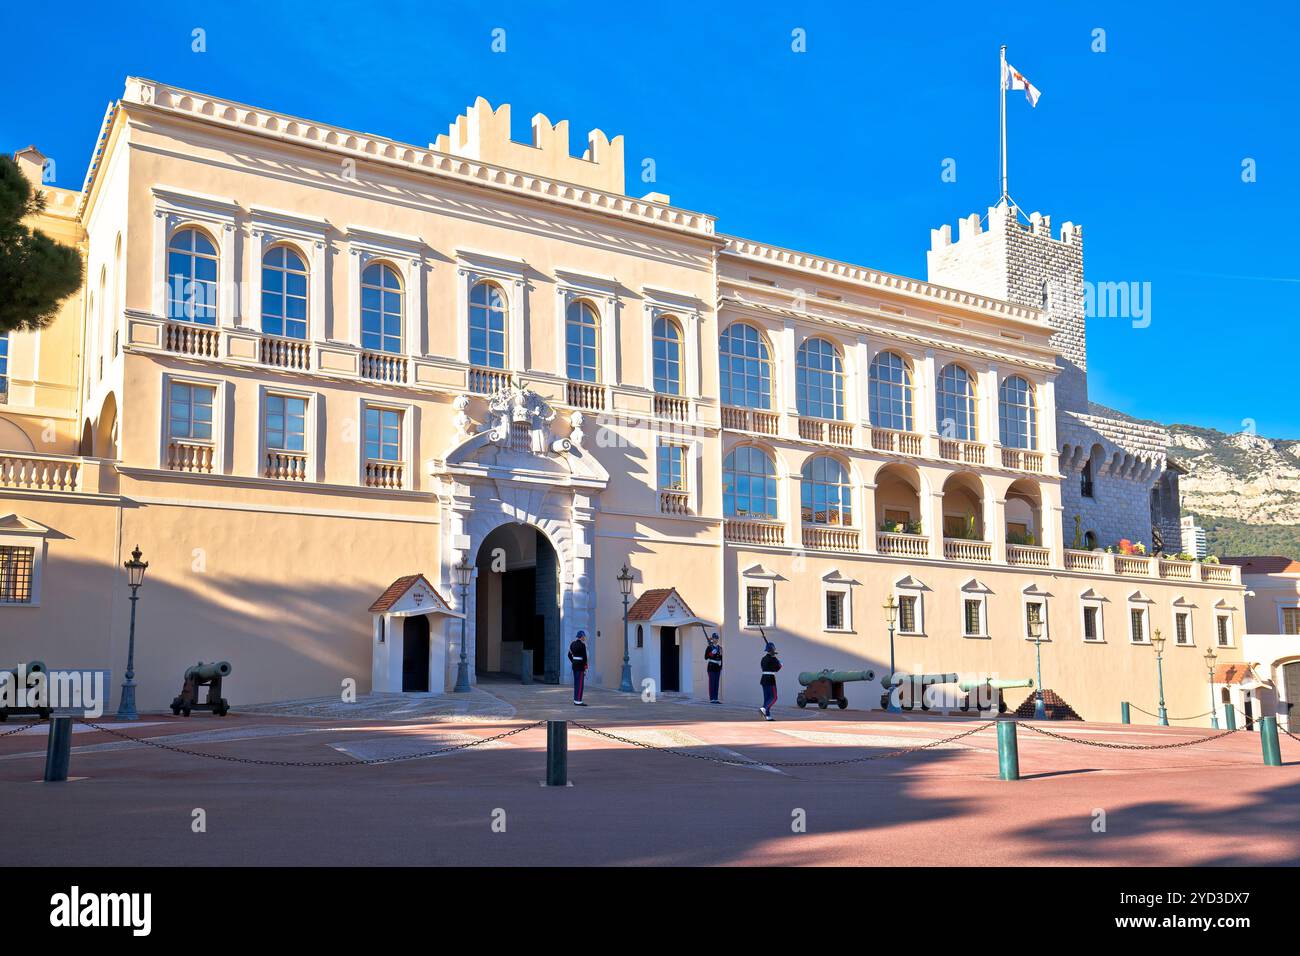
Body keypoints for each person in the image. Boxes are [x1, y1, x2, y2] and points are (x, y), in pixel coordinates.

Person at [759, 642, 781, 720]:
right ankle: (764, 708)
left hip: (763, 679)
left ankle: (767, 716)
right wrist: (779, 663)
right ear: (772, 650)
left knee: (767, 698)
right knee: (774, 697)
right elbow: (777, 668)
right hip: (770, 679)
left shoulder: (763, 658)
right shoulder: (773, 659)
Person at [568, 630, 589, 705]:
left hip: (574, 665)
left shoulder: (572, 644)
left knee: (576, 683)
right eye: (584, 636)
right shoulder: (582, 645)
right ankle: (578, 701)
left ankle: (575, 699)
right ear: (582, 636)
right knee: (580, 684)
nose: (584, 638)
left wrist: (573, 661)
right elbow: (584, 657)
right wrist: (585, 667)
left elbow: (569, 655)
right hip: (580, 666)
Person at [704, 632, 723, 703]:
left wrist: (721, 666)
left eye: (717, 638)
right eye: (715, 638)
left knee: (716, 683)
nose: (716, 640)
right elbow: (705, 657)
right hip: (711, 667)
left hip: (717, 668)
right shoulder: (709, 647)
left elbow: (721, 658)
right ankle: (712, 698)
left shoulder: (720, 648)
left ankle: (716, 698)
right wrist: (711, 653)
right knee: (712, 683)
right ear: (712, 638)